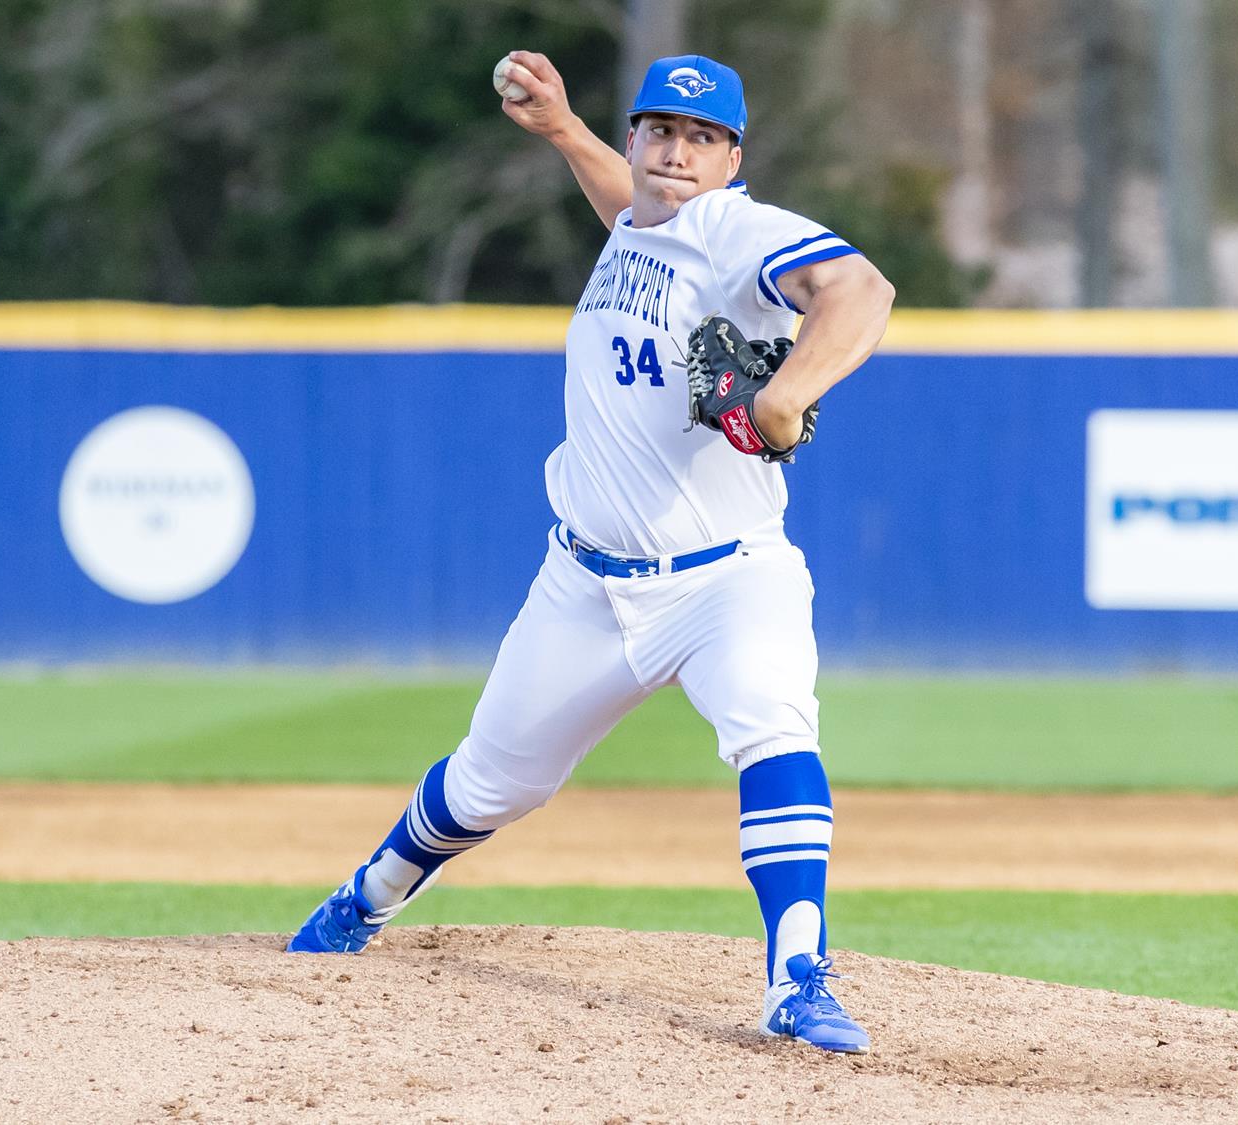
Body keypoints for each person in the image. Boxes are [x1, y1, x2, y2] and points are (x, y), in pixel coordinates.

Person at [287, 50, 895, 1056]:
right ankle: (368, 895)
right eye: (661, 130)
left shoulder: (741, 229)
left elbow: (859, 288)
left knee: (772, 726)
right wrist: (565, 131)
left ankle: (797, 978)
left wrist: (787, 393)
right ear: (633, 139)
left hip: (726, 579)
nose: (677, 152)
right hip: (584, 584)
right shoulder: (637, 223)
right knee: (490, 784)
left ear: (734, 158)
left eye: (703, 139)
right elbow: (637, 211)